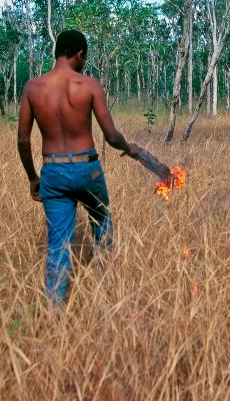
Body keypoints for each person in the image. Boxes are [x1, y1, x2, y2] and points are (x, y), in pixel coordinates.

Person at [17, 29, 140, 306]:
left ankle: (54, 315)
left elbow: (23, 139)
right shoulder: (89, 85)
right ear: (79, 53)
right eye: (85, 57)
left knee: (58, 246)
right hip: (87, 168)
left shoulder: (33, 88)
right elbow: (111, 135)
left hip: (53, 172)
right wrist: (128, 147)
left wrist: (32, 177)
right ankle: (107, 293)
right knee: (103, 224)